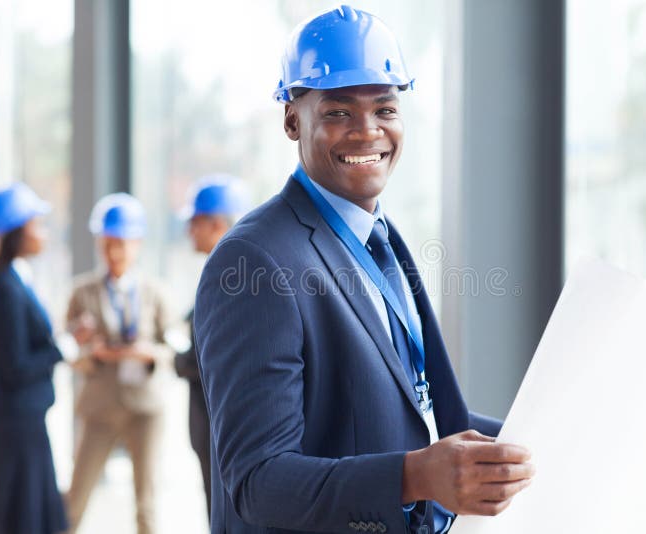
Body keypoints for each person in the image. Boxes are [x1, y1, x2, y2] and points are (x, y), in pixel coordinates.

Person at [194, 6, 535, 534]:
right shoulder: (253, 261)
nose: (367, 131)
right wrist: (414, 475)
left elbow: (420, 410)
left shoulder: (382, 237)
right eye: (337, 113)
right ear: (292, 120)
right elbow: (259, 483)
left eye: (385, 109)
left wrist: (543, 436)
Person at [64, 193, 172, 534]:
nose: (114, 253)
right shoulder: (81, 293)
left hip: (145, 409)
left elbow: (174, 347)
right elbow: (67, 351)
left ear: (137, 244)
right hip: (99, 406)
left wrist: (149, 354)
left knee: (146, 501)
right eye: (107, 244)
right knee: (76, 497)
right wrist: (92, 354)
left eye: (122, 244)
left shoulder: (155, 292)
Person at [0, 183, 67, 534]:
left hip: (24, 414)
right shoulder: (4, 286)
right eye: (36, 225)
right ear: (17, 232)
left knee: (28, 509)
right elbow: (15, 367)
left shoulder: (14, 278)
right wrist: (63, 349)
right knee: (18, 513)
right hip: (17, 416)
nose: (43, 234)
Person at [175, 175, 249, 519]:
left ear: (217, 223)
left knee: (222, 512)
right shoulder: (235, 271)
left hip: (218, 423)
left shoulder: (227, 273)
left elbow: (205, 358)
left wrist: (176, 358)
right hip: (219, 421)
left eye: (195, 223)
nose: (190, 231)